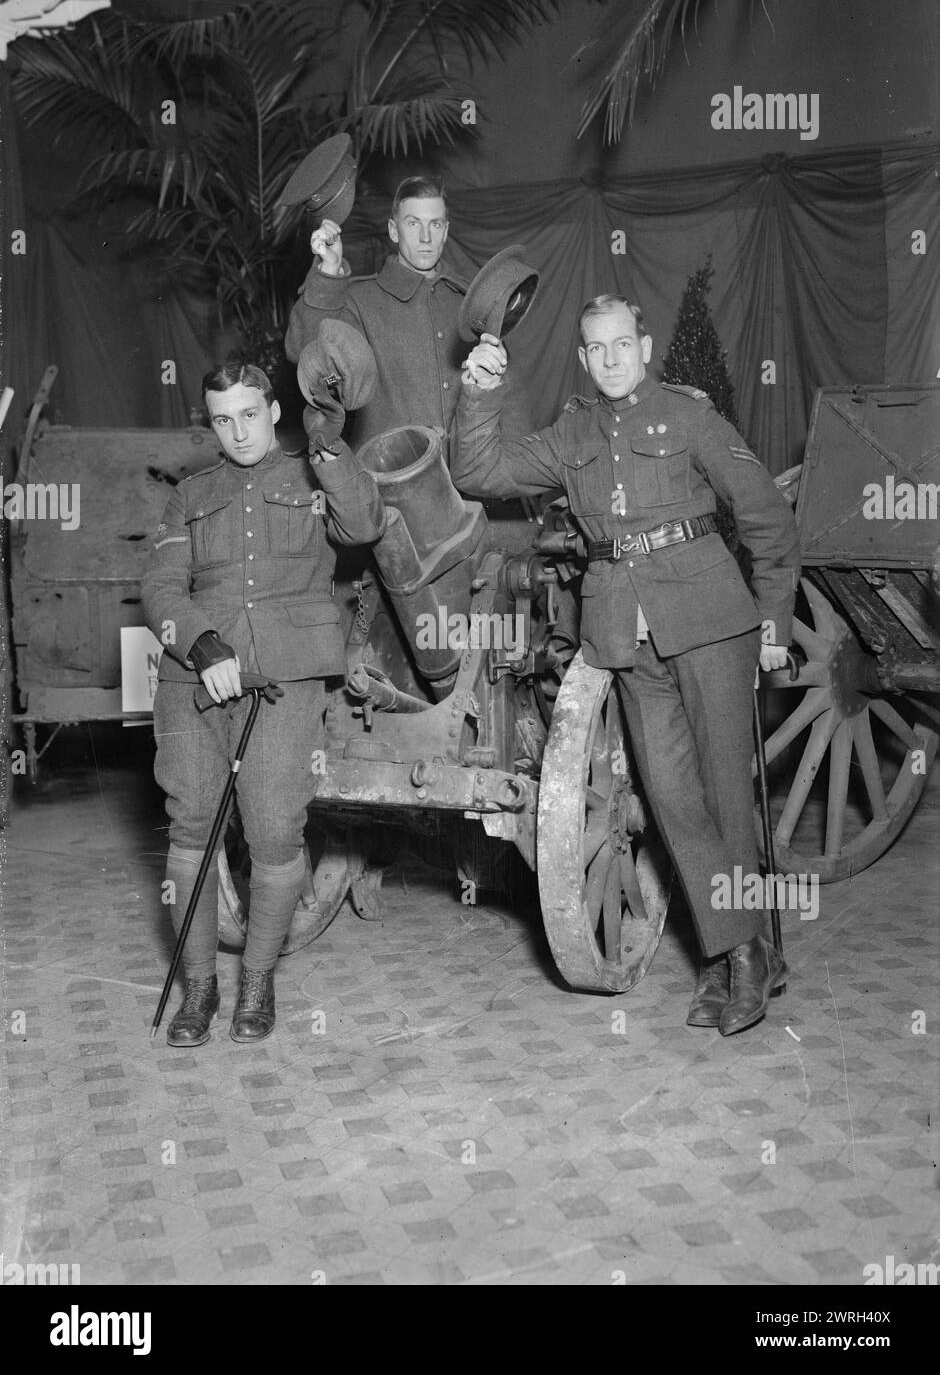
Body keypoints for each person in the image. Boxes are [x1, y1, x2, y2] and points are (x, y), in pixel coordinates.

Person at [452, 295, 802, 1035]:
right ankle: (740, 948)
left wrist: (771, 620)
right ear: (582, 357)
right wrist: (479, 389)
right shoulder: (572, 431)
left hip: (709, 621)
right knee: (674, 802)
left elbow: (766, 514)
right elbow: (478, 467)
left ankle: (740, 956)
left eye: (623, 346)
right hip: (624, 635)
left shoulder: (688, 416)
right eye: (596, 349)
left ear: (644, 347)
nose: (610, 361)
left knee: (722, 796)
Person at [142, 361, 384, 1046]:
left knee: (276, 830)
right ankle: (200, 990)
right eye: (222, 419)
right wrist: (201, 644)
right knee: (191, 827)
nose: (238, 431)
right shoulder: (188, 494)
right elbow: (160, 586)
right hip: (195, 682)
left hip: (286, 678)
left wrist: (331, 448)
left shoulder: (314, 477)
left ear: (273, 411)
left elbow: (366, 525)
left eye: (249, 414)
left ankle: (256, 980)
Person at [284, 174, 530, 453]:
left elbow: (508, 395)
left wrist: (518, 476)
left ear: (446, 231)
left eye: (435, 224)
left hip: (470, 484)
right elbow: (304, 353)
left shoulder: (472, 301)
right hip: (392, 485)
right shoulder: (361, 301)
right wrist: (328, 273)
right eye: (413, 223)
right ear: (393, 230)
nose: (426, 237)